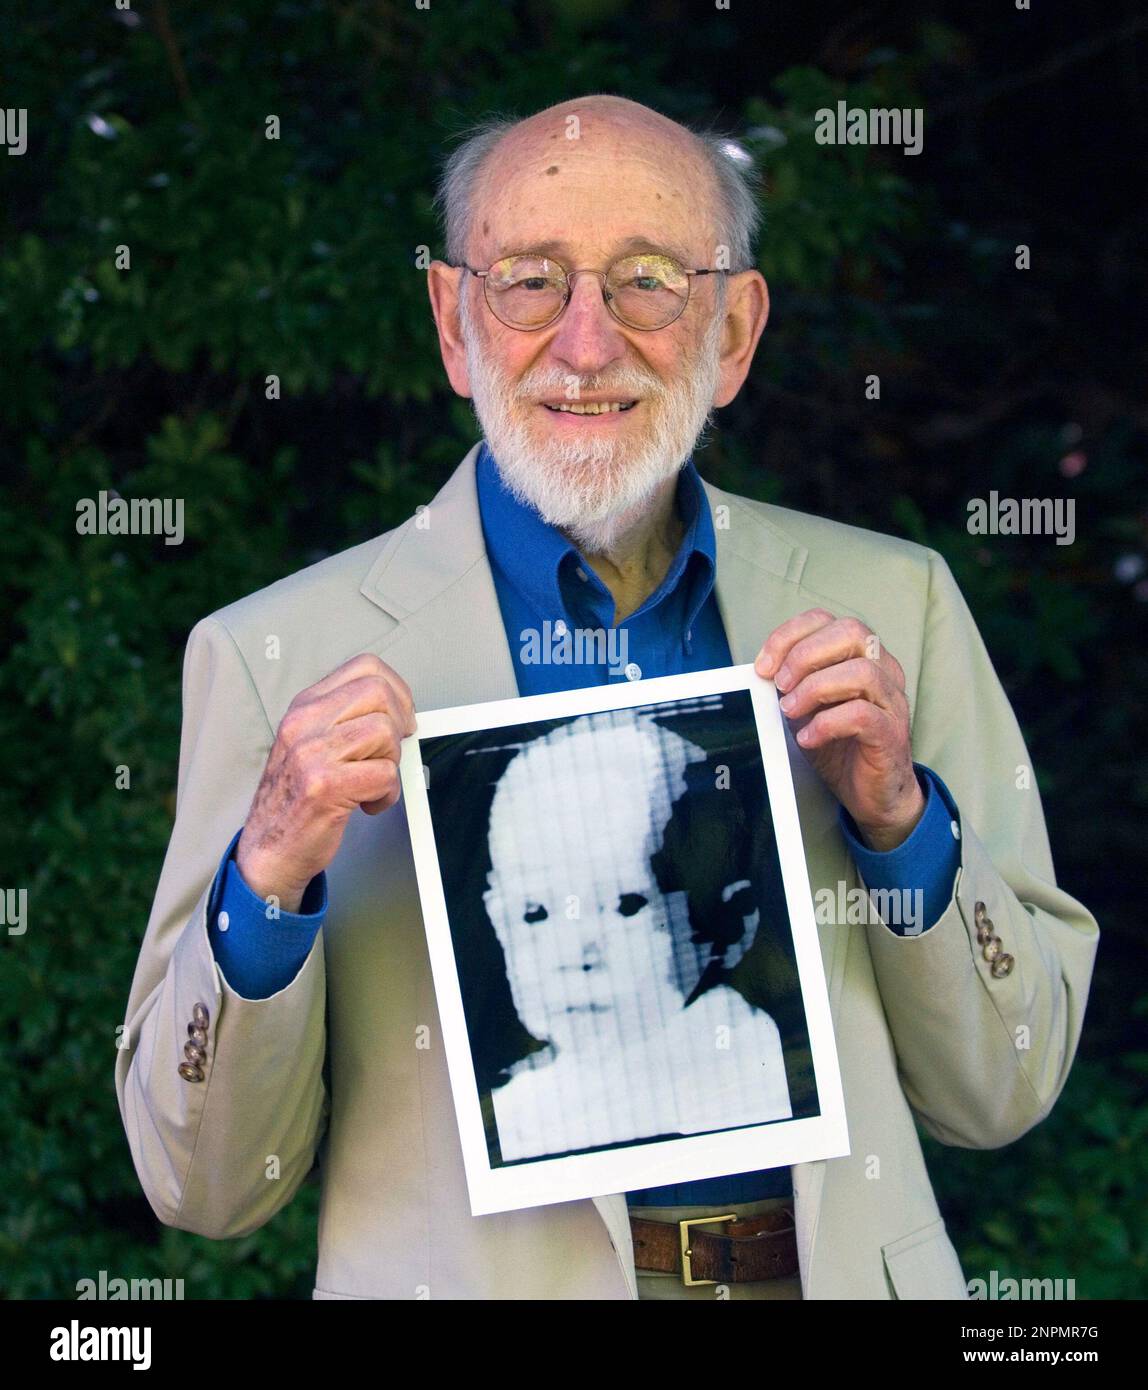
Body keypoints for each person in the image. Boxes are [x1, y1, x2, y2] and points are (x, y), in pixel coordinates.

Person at [115, 94, 1099, 1300]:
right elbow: (205, 1187)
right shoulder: (273, 657)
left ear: (732, 331)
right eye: (529, 281)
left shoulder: (895, 607)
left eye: (646, 281)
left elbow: (1006, 1086)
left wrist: (901, 822)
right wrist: (267, 869)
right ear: (450, 319)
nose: (585, 345)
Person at [480, 710, 791, 1163]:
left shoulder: (742, 1066)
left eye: (627, 904)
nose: (574, 952)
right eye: (535, 913)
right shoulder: (520, 1101)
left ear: (730, 922)